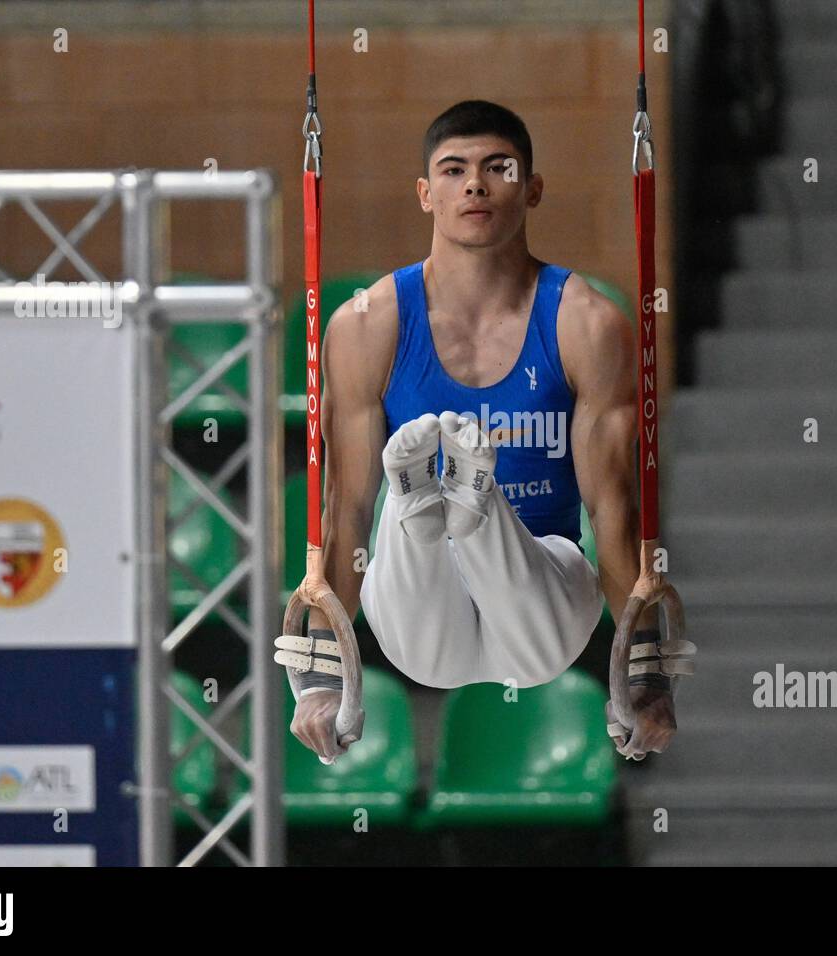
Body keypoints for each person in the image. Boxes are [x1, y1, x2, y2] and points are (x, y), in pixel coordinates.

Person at [288, 100, 678, 762]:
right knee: (394, 527)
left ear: (532, 189)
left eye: (499, 167)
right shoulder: (367, 326)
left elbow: (614, 513)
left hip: (542, 599)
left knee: (528, 561)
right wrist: (321, 675)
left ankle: (470, 500)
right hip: (421, 609)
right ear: (425, 193)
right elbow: (346, 511)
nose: (474, 184)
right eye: (453, 169)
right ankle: (426, 501)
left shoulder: (585, 324)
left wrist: (643, 675)